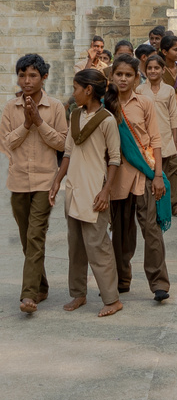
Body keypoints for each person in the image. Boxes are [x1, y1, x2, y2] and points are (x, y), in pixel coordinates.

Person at [48, 69, 123, 317]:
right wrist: (57, 180)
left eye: (76, 88)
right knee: (76, 248)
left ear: (88, 90)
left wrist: (105, 191)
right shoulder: (75, 115)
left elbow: (115, 159)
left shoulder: (107, 120)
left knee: (98, 247)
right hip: (74, 189)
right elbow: (68, 152)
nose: (73, 93)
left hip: (94, 192)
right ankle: (78, 293)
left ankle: (112, 299)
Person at [3, 53, 68, 313]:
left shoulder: (56, 107)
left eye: (32, 75)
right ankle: (41, 286)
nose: (27, 81)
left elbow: (62, 143)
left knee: (35, 236)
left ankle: (28, 295)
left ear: (44, 77)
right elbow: (7, 143)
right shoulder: (10, 108)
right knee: (26, 240)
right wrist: (26, 125)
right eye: (22, 75)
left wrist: (39, 123)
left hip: (44, 181)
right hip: (18, 181)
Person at [104, 55, 170, 303]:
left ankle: (159, 283)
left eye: (128, 75)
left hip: (144, 174)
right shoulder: (105, 105)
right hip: (117, 177)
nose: (123, 79)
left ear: (136, 77)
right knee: (121, 233)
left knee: (152, 231)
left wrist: (158, 176)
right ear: (112, 76)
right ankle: (121, 281)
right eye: (119, 74)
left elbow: (155, 140)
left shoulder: (144, 103)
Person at [138, 53, 177, 220]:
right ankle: (154, 206)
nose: (153, 71)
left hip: (166, 137)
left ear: (163, 70)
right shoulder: (140, 90)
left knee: (171, 172)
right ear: (145, 71)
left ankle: (175, 204)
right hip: (147, 139)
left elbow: (173, 116)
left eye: (156, 68)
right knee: (152, 173)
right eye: (150, 68)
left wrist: (175, 140)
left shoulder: (169, 90)